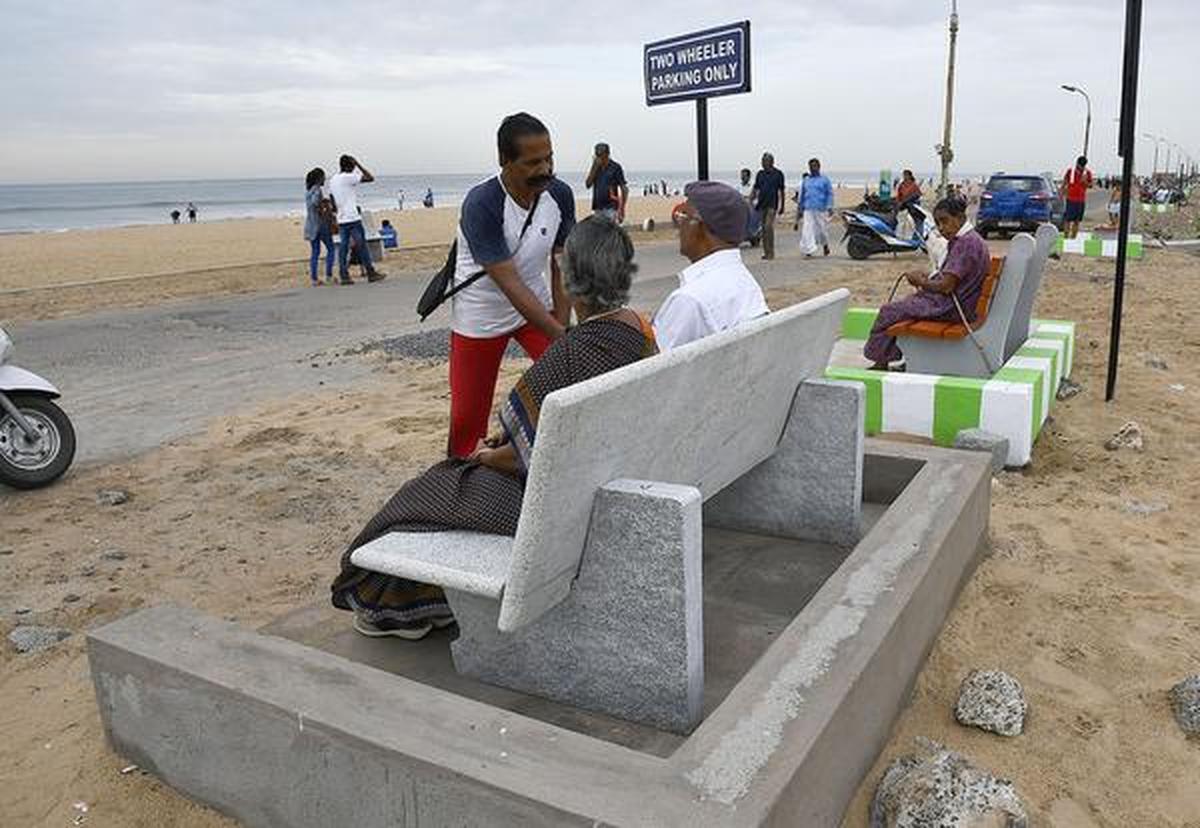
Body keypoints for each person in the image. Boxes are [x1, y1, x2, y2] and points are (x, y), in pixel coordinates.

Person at [330, 216, 656, 639]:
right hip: (608, 478)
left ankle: (400, 608)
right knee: (450, 487)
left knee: (434, 489)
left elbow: (518, 455)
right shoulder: (639, 329)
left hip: (556, 507)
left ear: (569, 278)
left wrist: (485, 456)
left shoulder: (573, 351)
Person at [445, 112, 577, 459]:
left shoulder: (559, 195)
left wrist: (561, 324)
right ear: (505, 161)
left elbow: (561, 262)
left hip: (536, 301)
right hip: (482, 311)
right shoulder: (483, 203)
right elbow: (507, 281)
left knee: (572, 377)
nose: (544, 169)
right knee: (466, 417)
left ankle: (545, 454)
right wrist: (556, 331)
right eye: (532, 162)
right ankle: (459, 478)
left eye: (549, 158)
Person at [863, 196, 990, 370]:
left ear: (960, 218)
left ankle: (881, 362)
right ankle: (903, 357)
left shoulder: (965, 244)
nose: (941, 228)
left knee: (889, 311)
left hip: (953, 309)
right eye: (938, 223)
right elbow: (952, 276)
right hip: (963, 303)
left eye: (945, 221)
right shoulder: (972, 239)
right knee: (905, 305)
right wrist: (929, 277)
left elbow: (947, 286)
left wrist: (921, 282)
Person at [653, 181, 769, 351]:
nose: (679, 227)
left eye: (683, 217)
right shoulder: (746, 284)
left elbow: (651, 367)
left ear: (701, 227)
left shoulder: (691, 300)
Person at [329, 154, 387, 284]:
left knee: (344, 247)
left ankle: (344, 275)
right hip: (352, 217)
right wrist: (359, 164)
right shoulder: (348, 177)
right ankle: (371, 273)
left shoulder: (333, 180)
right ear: (351, 166)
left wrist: (338, 212)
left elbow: (332, 199)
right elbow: (370, 178)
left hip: (342, 217)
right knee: (362, 245)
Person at [303, 167, 336, 286]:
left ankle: (314, 279)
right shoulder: (317, 190)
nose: (324, 179)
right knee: (331, 249)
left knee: (315, 252)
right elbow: (316, 203)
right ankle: (329, 275)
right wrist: (325, 205)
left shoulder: (307, 191)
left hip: (310, 225)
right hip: (321, 225)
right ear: (318, 179)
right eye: (323, 177)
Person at [750, 153, 785, 260]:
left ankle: (771, 253)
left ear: (771, 162)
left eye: (765, 161)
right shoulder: (760, 174)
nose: (763, 163)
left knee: (768, 226)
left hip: (772, 204)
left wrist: (782, 206)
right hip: (761, 204)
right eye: (762, 161)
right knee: (764, 230)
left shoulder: (778, 174)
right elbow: (756, 188)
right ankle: (766, 252)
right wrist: (751, 200)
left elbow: (782, 191)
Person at [799, 157, 835, 257]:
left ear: (819, 167)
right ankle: (808, 250)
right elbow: (802, 195)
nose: (813, 168)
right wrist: (800, 208)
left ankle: (825, 245)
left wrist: (830, 206)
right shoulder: (806, 180)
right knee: (807, 229)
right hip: (808, 209)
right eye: (811, 167)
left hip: (821, 208)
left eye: (815, 166)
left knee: (821, 230)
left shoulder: (824, 179)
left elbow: (830, 193)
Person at [585, 142, 628, 223]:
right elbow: (588, 185)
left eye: (602, 155)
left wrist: (621, 209)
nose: (600, 158)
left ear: (608, 154)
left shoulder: (615, 167)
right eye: (597, 155)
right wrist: (594, 168)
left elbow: (624, 189)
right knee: (598, 234)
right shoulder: (595, 167)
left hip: (611, 208)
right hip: (597, 208)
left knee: (610, 233)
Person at [1060, 155, 1092, 239]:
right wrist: (1062, 192)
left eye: (1083, 166)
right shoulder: (1070, 171)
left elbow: (1090, 185)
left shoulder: (1087, 173)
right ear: (1077, 163)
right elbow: (1064, 182)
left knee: (1077, 221)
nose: (1081, 167)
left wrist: (1085, 181)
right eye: (1079, 165)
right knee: (1068, 219)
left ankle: (1073, 238)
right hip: (1071, 199)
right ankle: (1066, 237)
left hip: (1081, 200)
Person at [739, 167, 763, 243]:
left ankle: (753, 232)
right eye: (742, 175)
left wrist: (748, 199)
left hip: (751, 205)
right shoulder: (738, 186)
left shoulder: (753, 186)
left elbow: (755, 196)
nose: (743, 177)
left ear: (749, 177)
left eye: (744, 176)